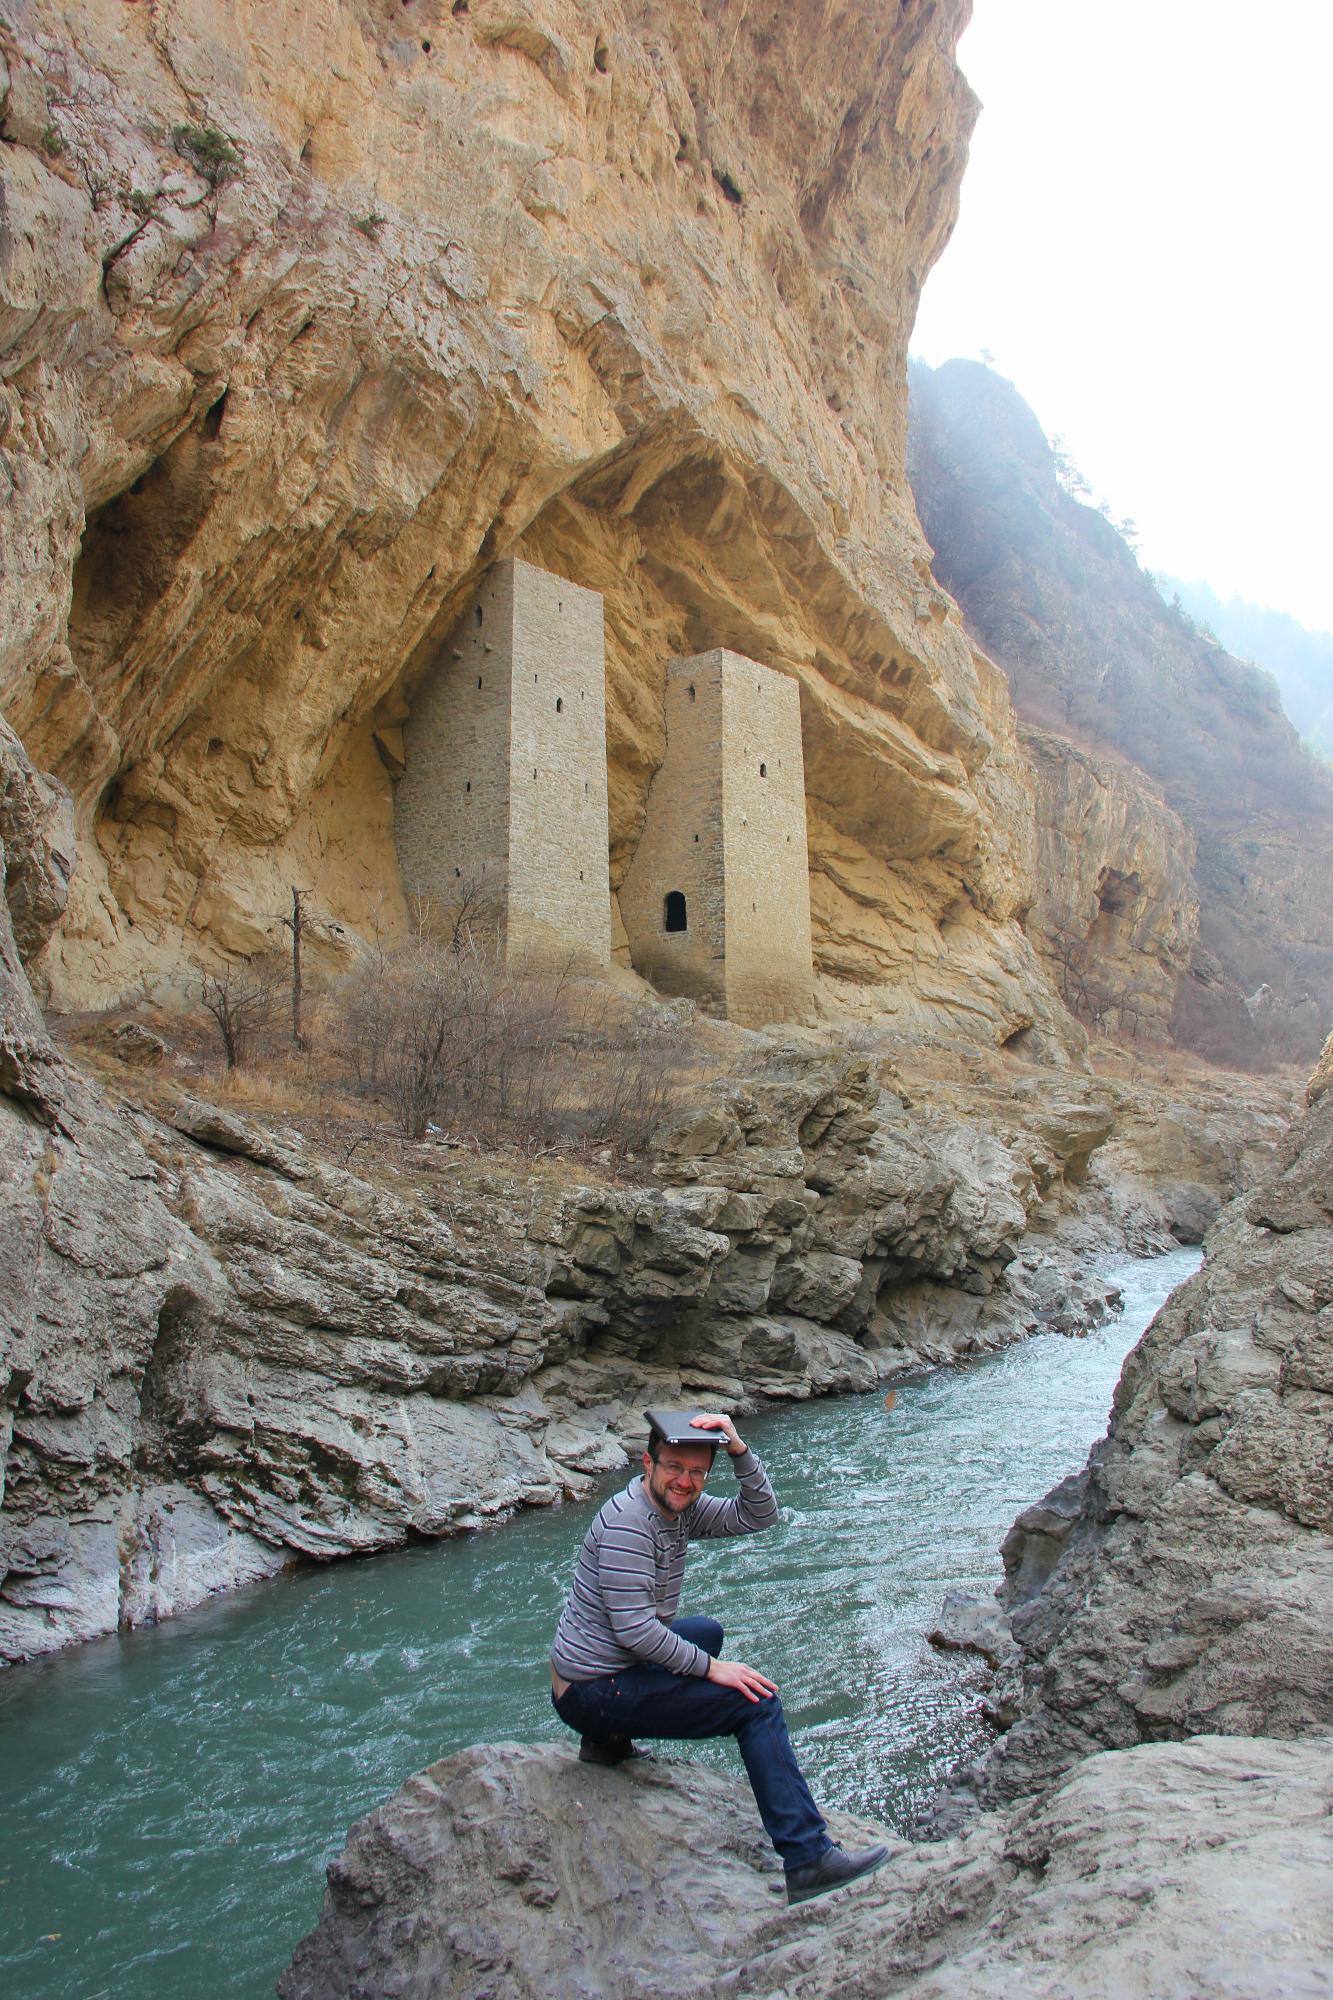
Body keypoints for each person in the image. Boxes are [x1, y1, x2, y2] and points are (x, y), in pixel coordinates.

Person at [549, 1407, 890, 1906]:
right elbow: (636, 1632)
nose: (685, 1481)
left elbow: (759, 1515)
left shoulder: (679, 1507)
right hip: (590, 1688)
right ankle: (808, 1858)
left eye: (696, 1472)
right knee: (756, 1703)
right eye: (673, 1468)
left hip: (606, 1666)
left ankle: (606, 1745)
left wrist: (738, 1448)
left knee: (705, 1632)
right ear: (648, 1463)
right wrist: (715, 1671)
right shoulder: (629, 1524)